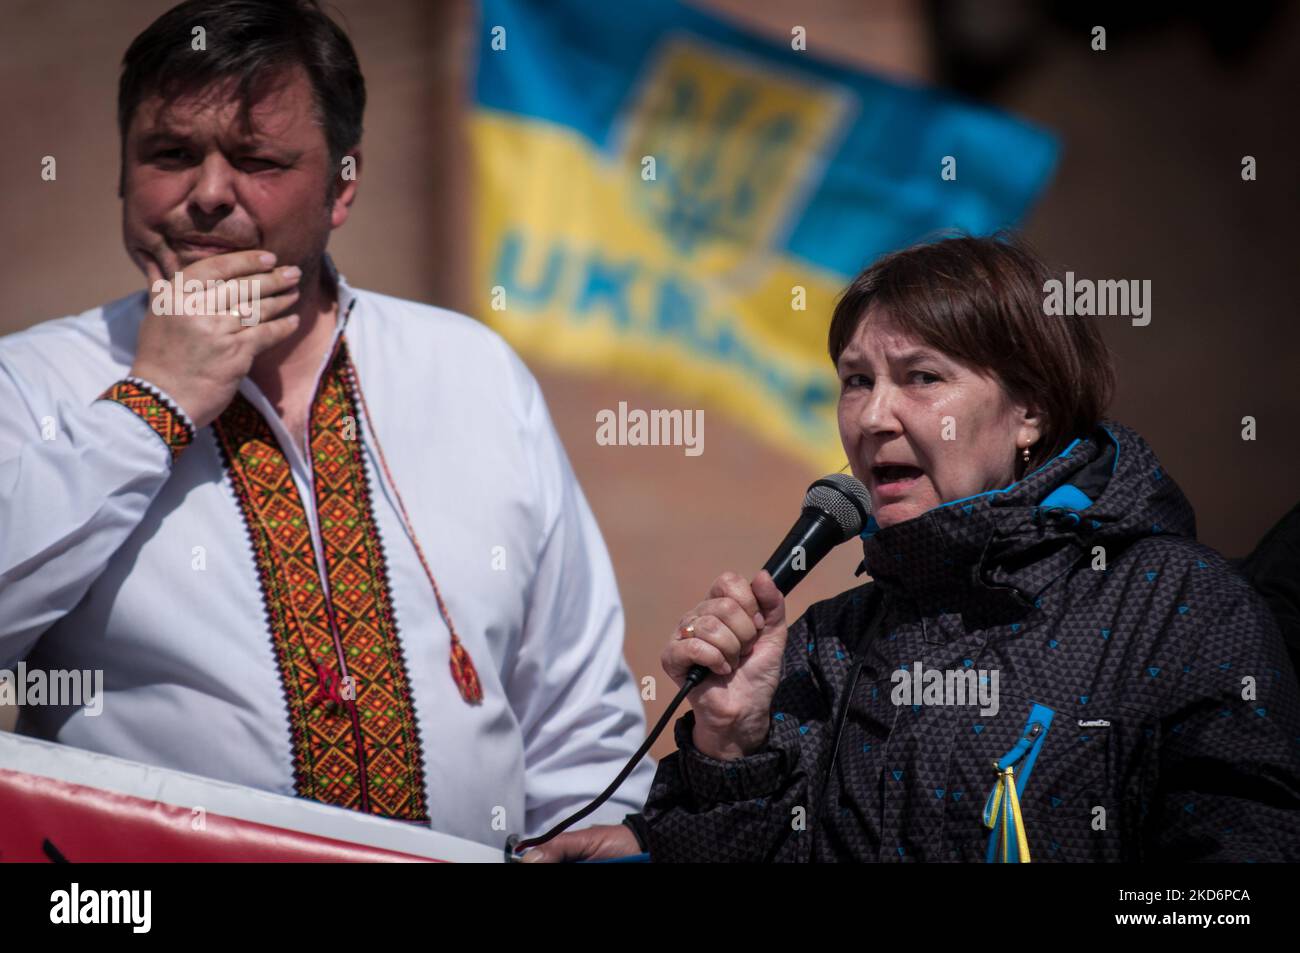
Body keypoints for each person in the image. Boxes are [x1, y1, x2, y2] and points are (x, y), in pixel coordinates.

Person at [0, 0, 652, 848]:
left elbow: (571, 706)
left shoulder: (470, 371)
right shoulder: (35, 380)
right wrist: (153, 403)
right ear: (124, 174)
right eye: (169, 155)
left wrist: (598, 824)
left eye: (256, 159)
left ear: (342, 185)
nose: (206, 194)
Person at [634, 234, 1300, 862]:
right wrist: (729, 749)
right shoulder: (821, 649)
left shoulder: (1180, 610)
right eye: (857, 379)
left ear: (1030, 408)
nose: (872, 417)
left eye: (921, 377)